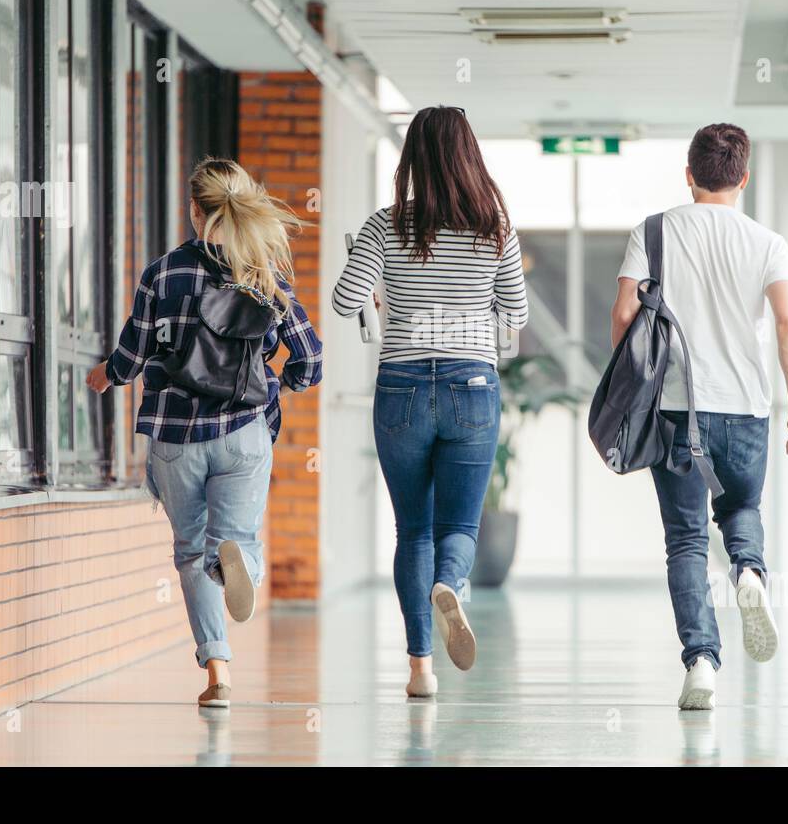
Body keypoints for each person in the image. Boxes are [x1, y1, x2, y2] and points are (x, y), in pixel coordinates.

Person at [87, 157, 322, 709]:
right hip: (243, 431)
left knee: (190, 551)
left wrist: (104, 376)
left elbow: (131, 356)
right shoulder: (265, 275)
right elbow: (310, 361)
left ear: (194, 210)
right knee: (237, 539)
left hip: (175, 438)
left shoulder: (163, 273)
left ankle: (218, 673)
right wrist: (275, 383)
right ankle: (236, 561)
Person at [610, 123, 788, 710]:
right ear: (742, 178)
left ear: (689, 174)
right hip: (747, 407)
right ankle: (749, 572)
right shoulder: (769, 243)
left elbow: (624, 314)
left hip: (674, 408)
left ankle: (700, 663)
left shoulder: (653, 232)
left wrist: (623, 387)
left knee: (686, 539)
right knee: (742, 507)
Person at [332, 106, 528, 699]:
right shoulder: (494, 226)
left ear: (411, 156)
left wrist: (385, 301)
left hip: (402, 388)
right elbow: (515, 317)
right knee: (460, 525)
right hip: (472, 385)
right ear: (469, 155)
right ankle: (450, 582)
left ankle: (421, 670)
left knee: (412, 529)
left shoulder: (384, 225)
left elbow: (344, 303)